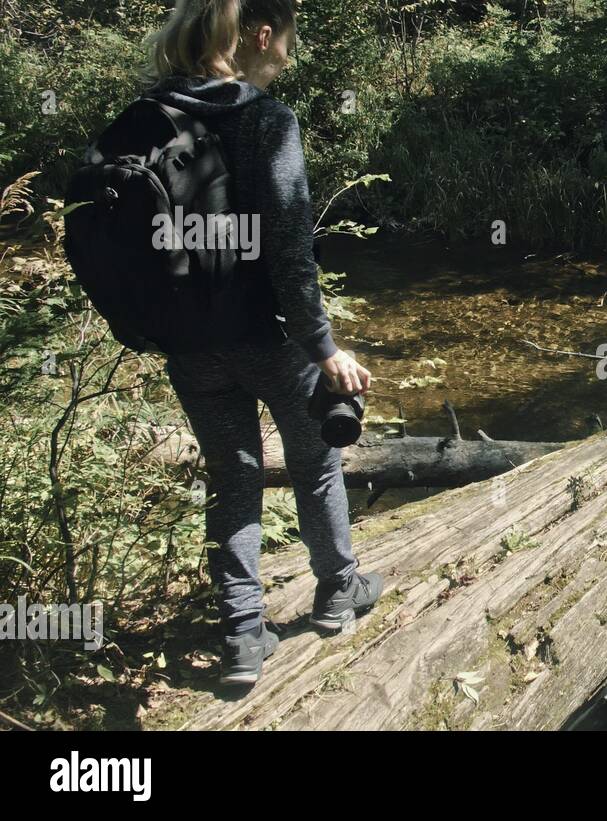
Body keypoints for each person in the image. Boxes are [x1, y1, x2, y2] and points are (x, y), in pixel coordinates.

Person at [143, 0, 384, 685]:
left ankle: (244, 635)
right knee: (315, 464)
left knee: (232, 477)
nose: (288, 57)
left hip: (189, 343)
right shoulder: (265, 120)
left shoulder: (150, 118)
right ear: (260, 34)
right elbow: (288, 253)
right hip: (266, 339)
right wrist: (324, 349)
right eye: (287, 43)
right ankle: (339, 591)